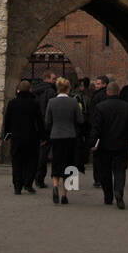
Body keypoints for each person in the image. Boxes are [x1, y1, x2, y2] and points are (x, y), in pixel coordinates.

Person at [91, 80, 128, 208]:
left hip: (104, 145)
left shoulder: (100, 107)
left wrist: (92, 143)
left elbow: (96, 128)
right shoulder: (127, 107)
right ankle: (118, 191)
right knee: (120, 170)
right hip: (121, 144)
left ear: (107, 92)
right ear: (119, 92)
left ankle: (108, 196)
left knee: (105, 171)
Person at [2, 80, 45, 195]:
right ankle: (28, 183)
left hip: (17, 137)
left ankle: (17, 185)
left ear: (18, 90)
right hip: (31, 137)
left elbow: (7, 121)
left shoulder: (12, 103)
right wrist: (43, 136)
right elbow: (39, 121)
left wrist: (7, 135)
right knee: (31, 161)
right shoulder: (34, 103)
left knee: (17, 161)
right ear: (30, 89)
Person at [45, 76, 83, 204]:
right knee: (68, 164)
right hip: (69, 136)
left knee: (56, 161)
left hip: (56, 135)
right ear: (68, 88)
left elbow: (47, 121)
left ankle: (55, 186)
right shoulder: (73, 102)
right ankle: (64, 195)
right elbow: (80, 120)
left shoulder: (51, 102)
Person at [32, 72, 57, 187]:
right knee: (43, 153)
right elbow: (51, 111)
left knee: (36, 152)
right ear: (47, 79)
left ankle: (33, 176)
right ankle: (39, 178)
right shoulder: (51, 92)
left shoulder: (34, 90)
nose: (55, 81)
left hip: (35, 125)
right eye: (53, 78)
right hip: (46, 126)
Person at [90, 76, 109, 186]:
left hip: (97, 129)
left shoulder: (96, 96)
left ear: (104, 84)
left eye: (98, 84)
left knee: (97, 155)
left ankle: (97, 179)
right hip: (108, 130)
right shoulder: (109, 95)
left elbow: (93, 114)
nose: (96, 86)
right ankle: (105, 177)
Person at [73, 78, 92, 173]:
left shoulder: (71, 97)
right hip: (84, 121)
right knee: (85, 141)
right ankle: (84, 158)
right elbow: (88, 109)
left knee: (77, 142)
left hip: (75, 124)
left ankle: (78, 160)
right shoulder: (86, 96)